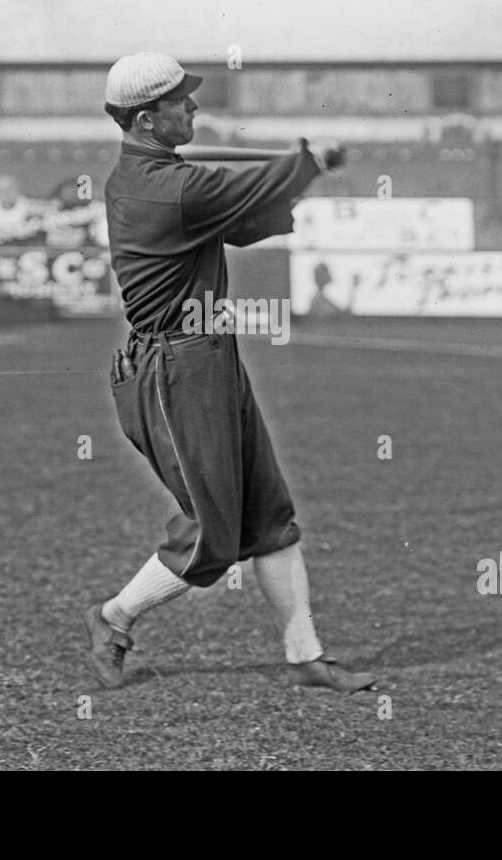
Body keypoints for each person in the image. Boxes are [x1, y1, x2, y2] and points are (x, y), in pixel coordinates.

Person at [85, 51, 378, 693]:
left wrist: (296, 175)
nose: (193, 106)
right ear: (145, 119)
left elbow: (242, 221)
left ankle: (306, 656)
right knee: (211, 537)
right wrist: (309, 162)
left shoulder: (166, 179)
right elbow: (243, 194)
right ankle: (114, 617)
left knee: (270, 517)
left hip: (210, 358)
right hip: (173, 372)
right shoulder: (163, 187)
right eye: (179, 101)